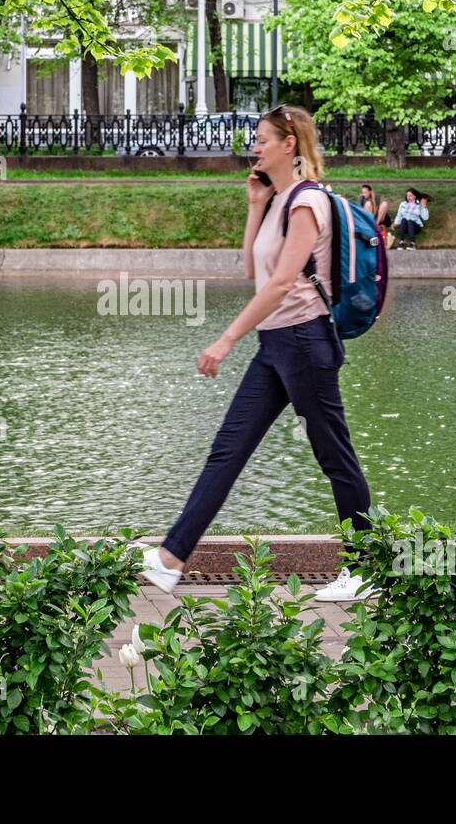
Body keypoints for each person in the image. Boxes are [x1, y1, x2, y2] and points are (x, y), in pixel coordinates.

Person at [135, 105, 377, 603]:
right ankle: (171, 559)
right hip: (276, 344)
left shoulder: (309, 202)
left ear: (290, 144)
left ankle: (365, 566)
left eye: (263, 138)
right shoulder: (280, 199)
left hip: (306, 342)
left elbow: (285, 282)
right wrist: (254, 204)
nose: (255, 145)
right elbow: (253, 271)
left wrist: (225, 339)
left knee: (335, 456)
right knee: (228, 450)